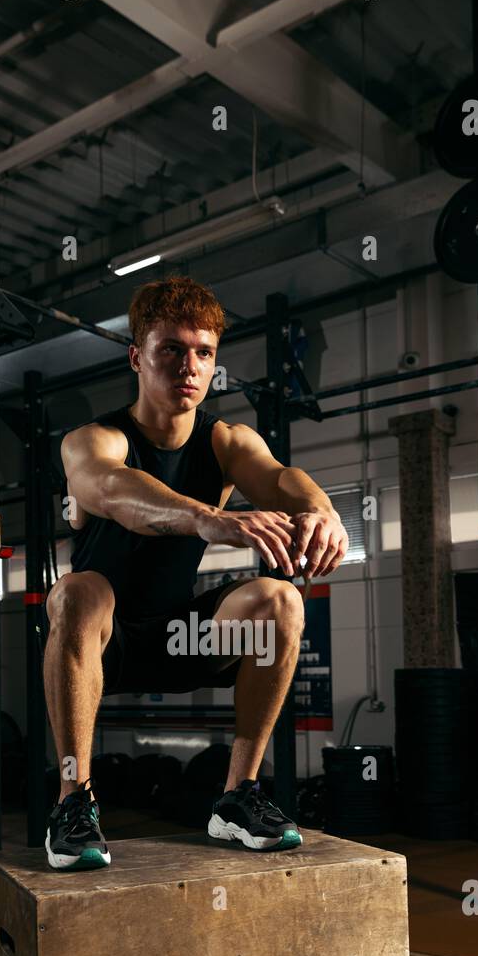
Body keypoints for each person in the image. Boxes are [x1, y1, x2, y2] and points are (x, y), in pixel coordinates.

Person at [43, 275, 348, 869]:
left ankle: (237, 797)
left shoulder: (226, 441)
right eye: (172, 350)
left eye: (204, 353)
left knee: (280, 601)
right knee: (80, 591)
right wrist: (205, 518)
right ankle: (72, 803)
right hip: (100, 641)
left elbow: (278, 475)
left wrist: (322, 510)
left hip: (182, 638)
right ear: (138, 357)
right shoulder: (94, 439)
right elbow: (111, 488)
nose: (189, 366)